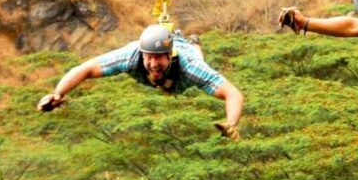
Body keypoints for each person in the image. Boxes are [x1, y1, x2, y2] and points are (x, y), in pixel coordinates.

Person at [36, 24, 244, 140]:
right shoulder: (130, 56)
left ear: (169, 55)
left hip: (186, 58)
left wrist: (231, 123)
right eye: (149, 57)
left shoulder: (189, 66)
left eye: (159, 57)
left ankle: (192, 42)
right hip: (162, 70)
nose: (153, 64)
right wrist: (58, 93)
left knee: (197, 55)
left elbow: (232, 93)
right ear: (142, 54)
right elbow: (86, 68)